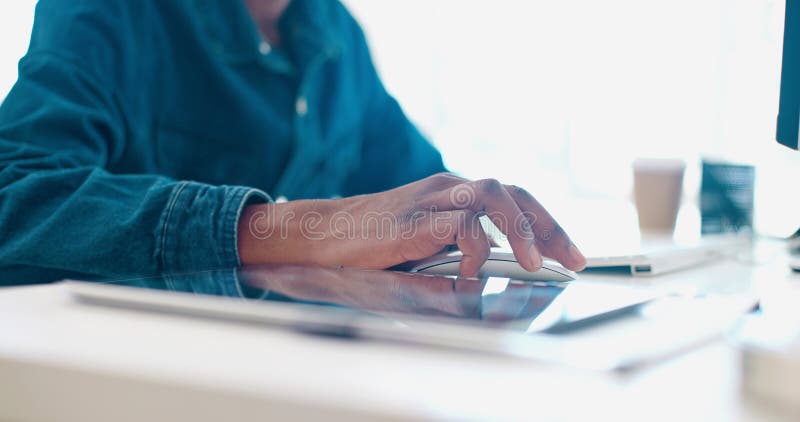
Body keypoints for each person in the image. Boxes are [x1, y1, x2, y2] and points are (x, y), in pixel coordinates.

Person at [0, 0, 586, 285]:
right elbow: (14, 195)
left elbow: (417, 201)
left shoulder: (335, 34)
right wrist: (300, 229)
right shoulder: (113, 13)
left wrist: (471, 229)